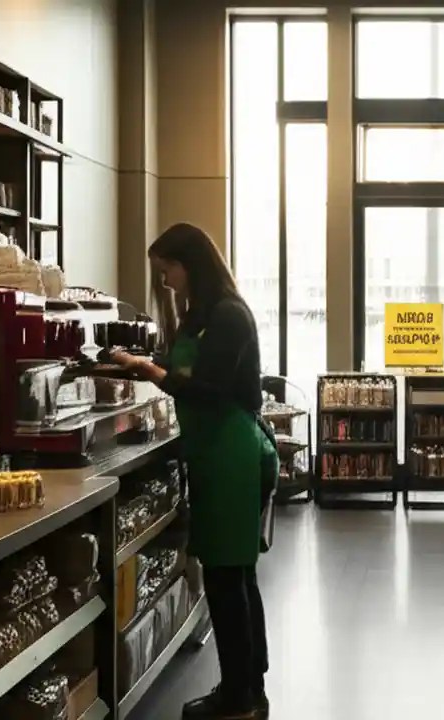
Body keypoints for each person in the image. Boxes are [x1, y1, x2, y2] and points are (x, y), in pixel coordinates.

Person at [112, 223, 278, 720]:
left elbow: (205, 388)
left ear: (191, 263)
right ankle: (247, 688)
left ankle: (239, 698)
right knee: (235, 577)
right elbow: (184, 372)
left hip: (234, 455)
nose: (166, 282)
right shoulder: (199, 315)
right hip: (214, 456)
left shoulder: (229, 315)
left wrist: (148, 371)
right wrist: (149, 363)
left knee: (228, 582)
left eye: (168, 270)